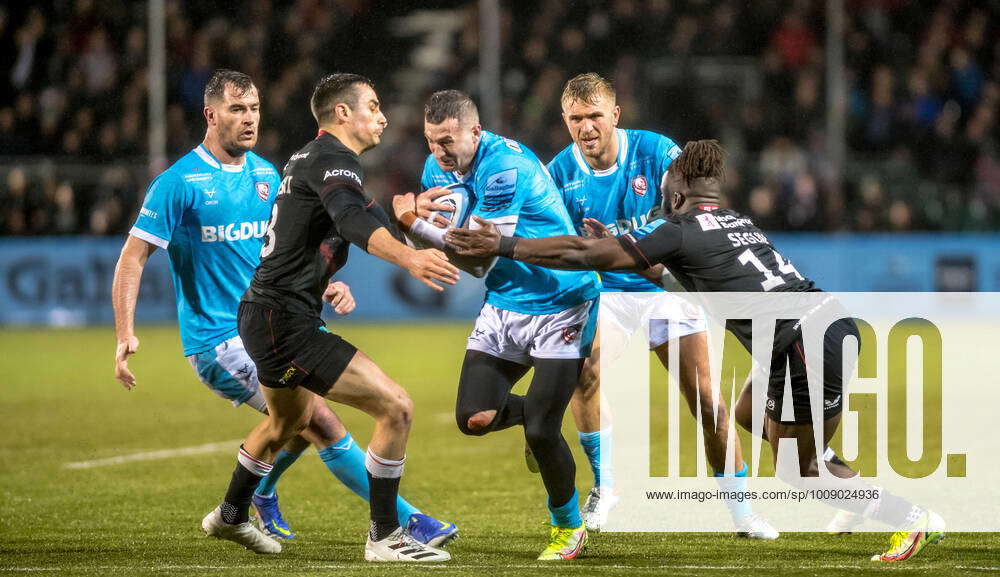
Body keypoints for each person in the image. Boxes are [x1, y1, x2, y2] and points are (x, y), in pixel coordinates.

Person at [446, 139, 946, 563]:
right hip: (822, 326)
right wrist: (621, 251)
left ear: (677, 192)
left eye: (666, 190)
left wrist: (503, 246)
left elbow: (581, 252)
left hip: (801, 346)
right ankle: (847, 487)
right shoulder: (735, 221)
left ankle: (911, 518)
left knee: (797, 470)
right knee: (749, 414)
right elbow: (685, 282)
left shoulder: (680, 228)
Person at [113, 69, 457, 550]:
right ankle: (402, 522)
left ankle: (239, 507)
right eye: (237, 109)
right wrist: (125, 332)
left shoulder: (267, 173)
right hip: (218, 338)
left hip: (270, 316)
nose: (249, 118)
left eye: (254, 108)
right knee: (325, 419)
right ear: (211, 115)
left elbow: (283, 249)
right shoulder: (178, 183)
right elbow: (132, 257)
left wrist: (327, 282)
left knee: (288, 423)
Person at [543, 72, 775, 537]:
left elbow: (697, 210)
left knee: (707, 401)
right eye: (575, 119)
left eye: (594, 116)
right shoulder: (557, 174)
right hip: (607, 291)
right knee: (583, 375)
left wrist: (632, 248)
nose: (586, 127)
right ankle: (606, 487)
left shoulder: (657, 152)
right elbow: (553, 241)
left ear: (615, 114)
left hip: (666, 286)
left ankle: (743, 511)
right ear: (564, 120)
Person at [394, 90, 599, 560]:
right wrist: (414, 226)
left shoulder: (505, 167)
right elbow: (441, 241)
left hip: (562, 300)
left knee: (543, 433)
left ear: (475, 132)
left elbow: (479, 259)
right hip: (505, 301)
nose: (439, 152)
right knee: (473, 418)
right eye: (431, 141)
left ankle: (569, 527)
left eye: (448, 141)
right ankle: (540, 411)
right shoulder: (435, 169)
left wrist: (407, 220)